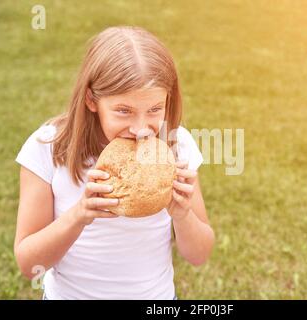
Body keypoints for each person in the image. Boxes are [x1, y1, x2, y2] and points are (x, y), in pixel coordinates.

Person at [13, 26, 215, 300]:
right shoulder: (48, 148)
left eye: (155, 109)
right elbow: (29, 265)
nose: (141, 128)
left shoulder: (176, 147)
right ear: (91, 100)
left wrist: (182, 214)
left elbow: (199, 255)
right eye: (123, 111)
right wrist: (79, 215)